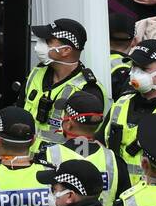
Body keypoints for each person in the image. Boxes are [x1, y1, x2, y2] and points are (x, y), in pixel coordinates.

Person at [106, 40, 156, 181]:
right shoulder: (120, 103)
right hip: (117, 194)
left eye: (144, 68)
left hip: (152, 197)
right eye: (134, 66)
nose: (135, 72)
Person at [22, 18, 102, 146]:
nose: (40, 44)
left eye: (48, 41)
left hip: (60, 163)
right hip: (28, 162)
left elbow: (84, 144)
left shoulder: (87, 89)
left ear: (66, 50)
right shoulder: (37, 73)